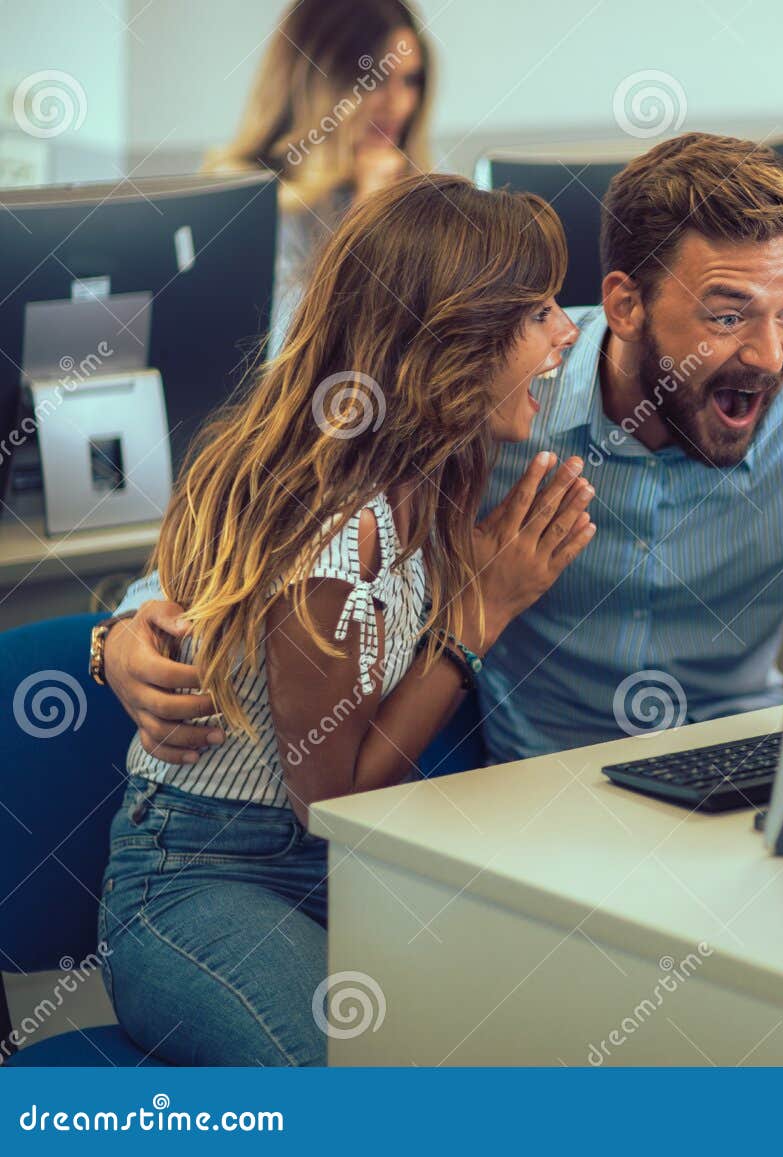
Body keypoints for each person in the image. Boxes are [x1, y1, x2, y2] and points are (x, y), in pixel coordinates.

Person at [100, 132, 783, 771]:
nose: (771, 353)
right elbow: (279, 500)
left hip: (743, 787)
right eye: (728, 314)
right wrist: (124, 634)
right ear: (622, 305)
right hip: (541, 803)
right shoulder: (500, 397)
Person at [96, 175, 590, 1065]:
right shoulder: (333, 542)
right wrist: (478, 615)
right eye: (540, 313)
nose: (568, 333)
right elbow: (334, 805)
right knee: (346, 1096)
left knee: (549, 1028)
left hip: (351, 873)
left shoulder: (432, 469)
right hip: (203, 876)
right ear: (454, 343)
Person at [207, 0, 431, 348]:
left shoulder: (416, 186)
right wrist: (367, 217)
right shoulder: (251, 201)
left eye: (410, 80)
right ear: (319, 82)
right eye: (375, 81)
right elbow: (288, 355)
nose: (399, 104)